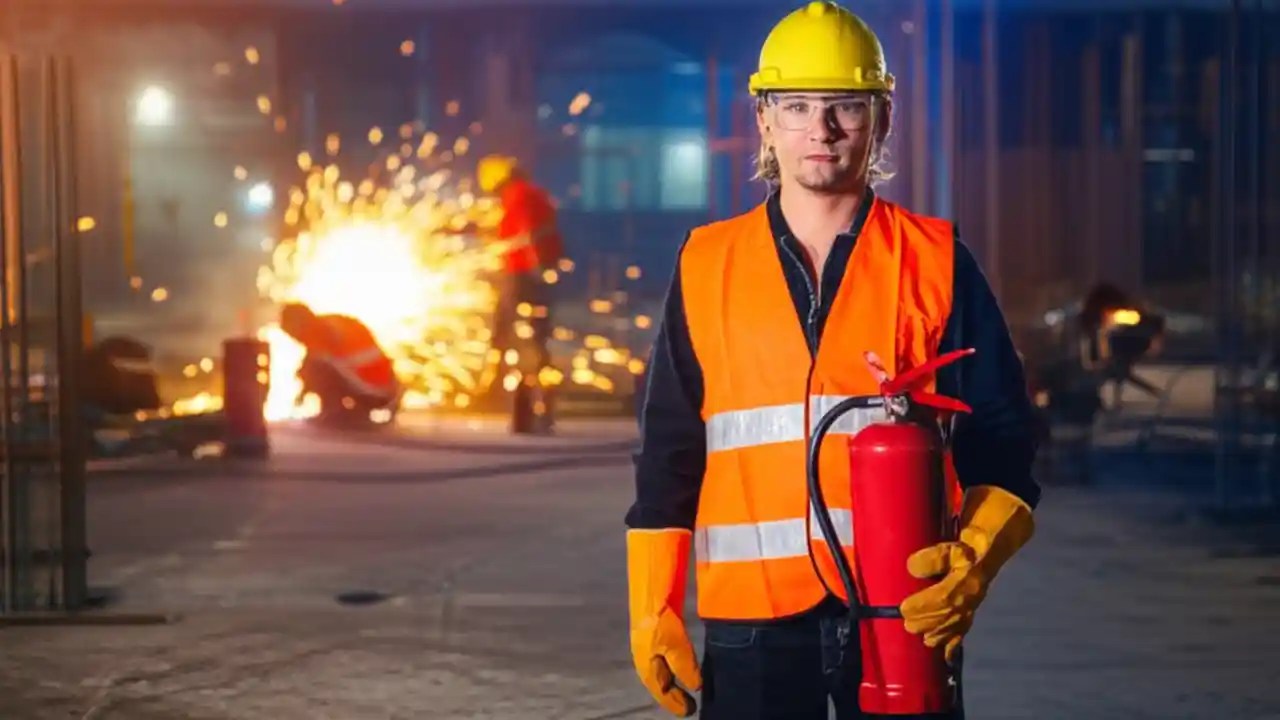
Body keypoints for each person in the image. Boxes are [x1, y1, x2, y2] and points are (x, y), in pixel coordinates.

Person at [624, 3, 1041, 719]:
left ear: (881, 117)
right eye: (797, 107)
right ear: (764, 120)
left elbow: (1003, 439)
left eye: (844, 106)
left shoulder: (936, 261)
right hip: (750, 624)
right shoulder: (706, 265)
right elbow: (669, 450)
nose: (820, 130)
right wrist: (651, 605)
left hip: (899, 613)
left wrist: (972, 563)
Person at [476, 154, 563, 432]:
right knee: (535, 339)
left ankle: (503, 396)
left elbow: (527, 234)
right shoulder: (532, 194)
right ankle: (540, 405)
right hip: (534, 274)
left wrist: (535, 266)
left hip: (523, 276)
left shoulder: (519, 196)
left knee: (513, 336)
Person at [278, 302, 400, 424]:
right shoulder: (334, 322)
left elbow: (314, 369)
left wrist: (302, 393)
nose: (292, 337)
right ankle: (353, 411)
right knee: (314, 367)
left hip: (371, 392)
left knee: (313, 368)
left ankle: (333, 412)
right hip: (386, 391)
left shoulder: (319, 332)